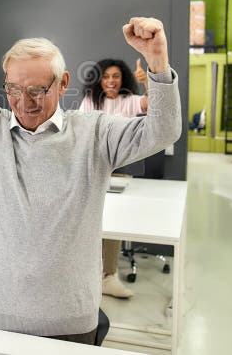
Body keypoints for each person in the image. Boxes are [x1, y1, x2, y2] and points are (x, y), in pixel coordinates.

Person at [0, 0, 181, 344]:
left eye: (37, 89)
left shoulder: (94, 134)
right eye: (14, 89)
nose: (24, 101)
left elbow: (163, 131)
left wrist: (158, 63)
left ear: (63, 82)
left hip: (68, 320)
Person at [80, 58, 149, 299]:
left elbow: (155, 106)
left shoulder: (129, 102)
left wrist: (148, 82)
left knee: (111, 218)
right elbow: (81, 133)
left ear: (123, 80)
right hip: (90, 167)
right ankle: (87, 274)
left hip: (118, 169)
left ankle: (108, 276)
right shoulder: (90, 101)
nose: (111, 81)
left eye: (116, 76)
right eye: (106, 76)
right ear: (99, 79)